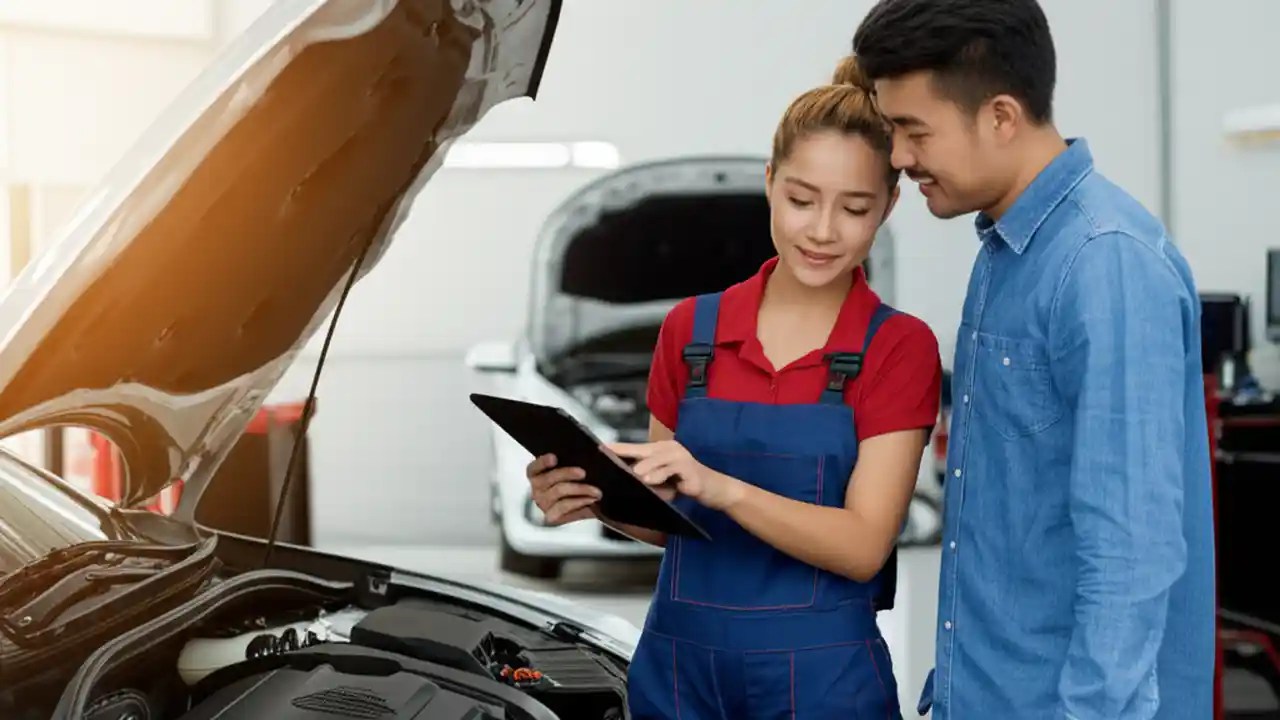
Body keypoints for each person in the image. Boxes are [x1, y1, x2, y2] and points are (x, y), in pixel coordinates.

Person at [525, 55, 942, 719]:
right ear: (770, 182)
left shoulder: (897, 347)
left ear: (888, 206)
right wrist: (597, 499)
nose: (822, 230)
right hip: (679, 677)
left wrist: (723, 487)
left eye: (855, 208)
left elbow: (863, 547)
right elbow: (672, 522)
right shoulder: (690, 331)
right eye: (801, 200)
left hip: (824, 688)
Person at [851, 1, 1217, 718]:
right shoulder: (1007, 251)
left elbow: (1130, 556)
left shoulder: (1104, 264)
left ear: (1001, 117)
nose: (897, 157)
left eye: (913, 131)